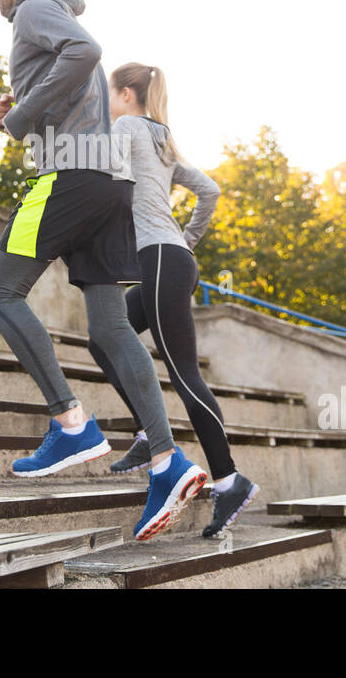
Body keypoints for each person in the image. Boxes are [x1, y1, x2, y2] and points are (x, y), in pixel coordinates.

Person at [0, 0, 204, 541]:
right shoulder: (47, 12)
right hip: (108, 187)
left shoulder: (31, 6)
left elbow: (85, 51)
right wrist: (23, 102)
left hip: (68, 178)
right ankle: (167, 461)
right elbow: (74, 73)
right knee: (108, 327)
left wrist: (23, 118)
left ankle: (71, 423)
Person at [87, 62, 260, 538]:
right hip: (167, 258)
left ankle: (228, 480)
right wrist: (188, 238)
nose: (106, 100)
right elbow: (209, 190)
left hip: (163, 260)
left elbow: (103, 174)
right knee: (104, 338)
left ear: (125, 94)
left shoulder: (125, 126)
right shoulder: (162, 139)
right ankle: (148, 433)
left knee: (184, 374)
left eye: (108, 92)